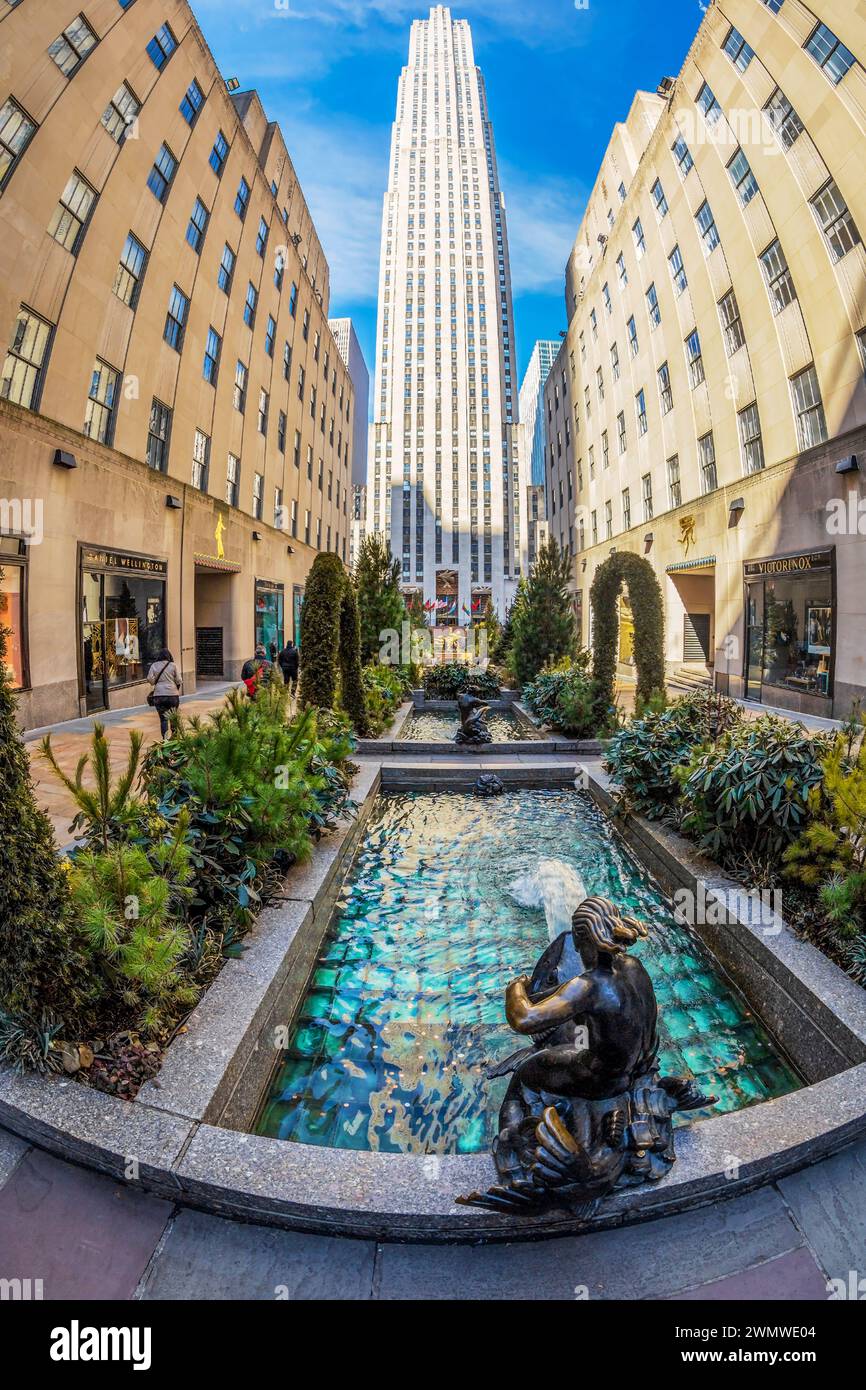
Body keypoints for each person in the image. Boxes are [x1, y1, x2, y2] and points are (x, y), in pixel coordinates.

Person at [146, 648, 182, 739]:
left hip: (159, 695)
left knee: (163, 719)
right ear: (169, 655)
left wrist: (155, 682)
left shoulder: (154, 665)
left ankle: (165, 739)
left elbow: (149, 679)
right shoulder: (173, 665)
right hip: (172, 695)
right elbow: (179, 680)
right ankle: (174, 738)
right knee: (173, 718)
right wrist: (175, 687)